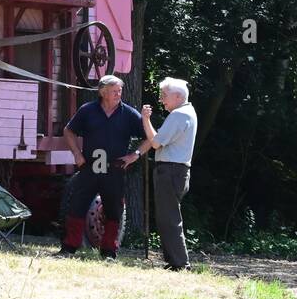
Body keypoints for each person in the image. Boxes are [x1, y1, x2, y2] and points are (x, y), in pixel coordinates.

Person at [61, 75, 144, 260]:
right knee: (77, 205)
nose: (118, 94)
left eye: (120, 90)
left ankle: (109, 252)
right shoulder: (88, 110)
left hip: (114, 170)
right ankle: (69, 248)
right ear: (103, 92)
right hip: (89, 167)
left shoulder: (129, 114)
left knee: (114, 210)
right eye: (114, 91)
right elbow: (68, 130)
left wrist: (135, 155)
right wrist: (76, 153)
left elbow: (150, 136)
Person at [124, 78, 197, 271]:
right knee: (167, 216)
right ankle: (174, 261)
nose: (161, 100)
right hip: (176, 171)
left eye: (164, 96)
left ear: (178, 96)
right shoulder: (187, 113)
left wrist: (145, 120)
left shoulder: (179, 115)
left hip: (171, 171)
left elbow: (156, 142)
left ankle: (180, 263)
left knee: (169, 217)